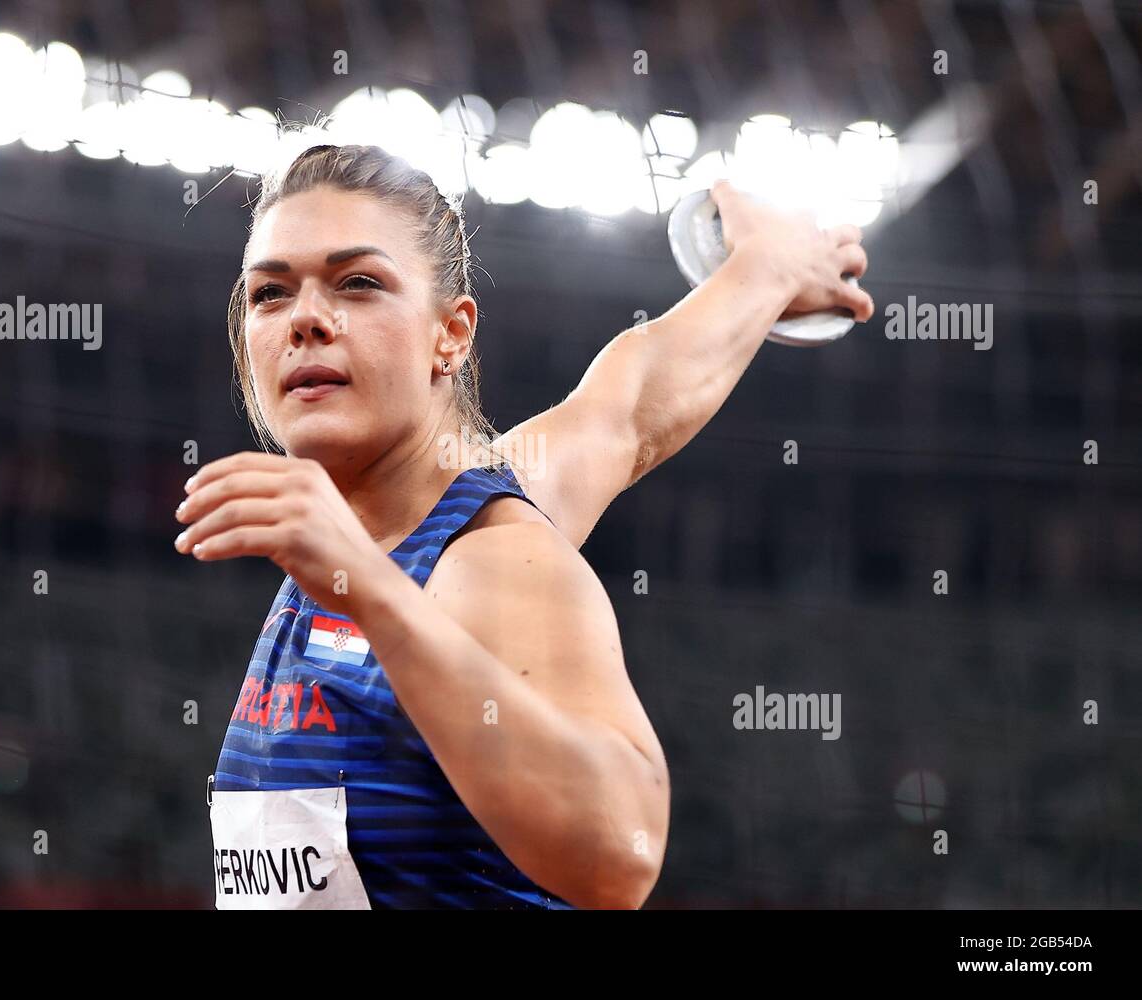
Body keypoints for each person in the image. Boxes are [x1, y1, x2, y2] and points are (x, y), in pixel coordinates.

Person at [174, 142, 872, 909]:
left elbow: (622, 855)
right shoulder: (436, 516)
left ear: (452, 333)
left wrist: (371, 588)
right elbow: (626, 407)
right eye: (270, 293)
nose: (305, 318)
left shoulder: (493, 561)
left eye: (359, 283)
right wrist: (764, 269)